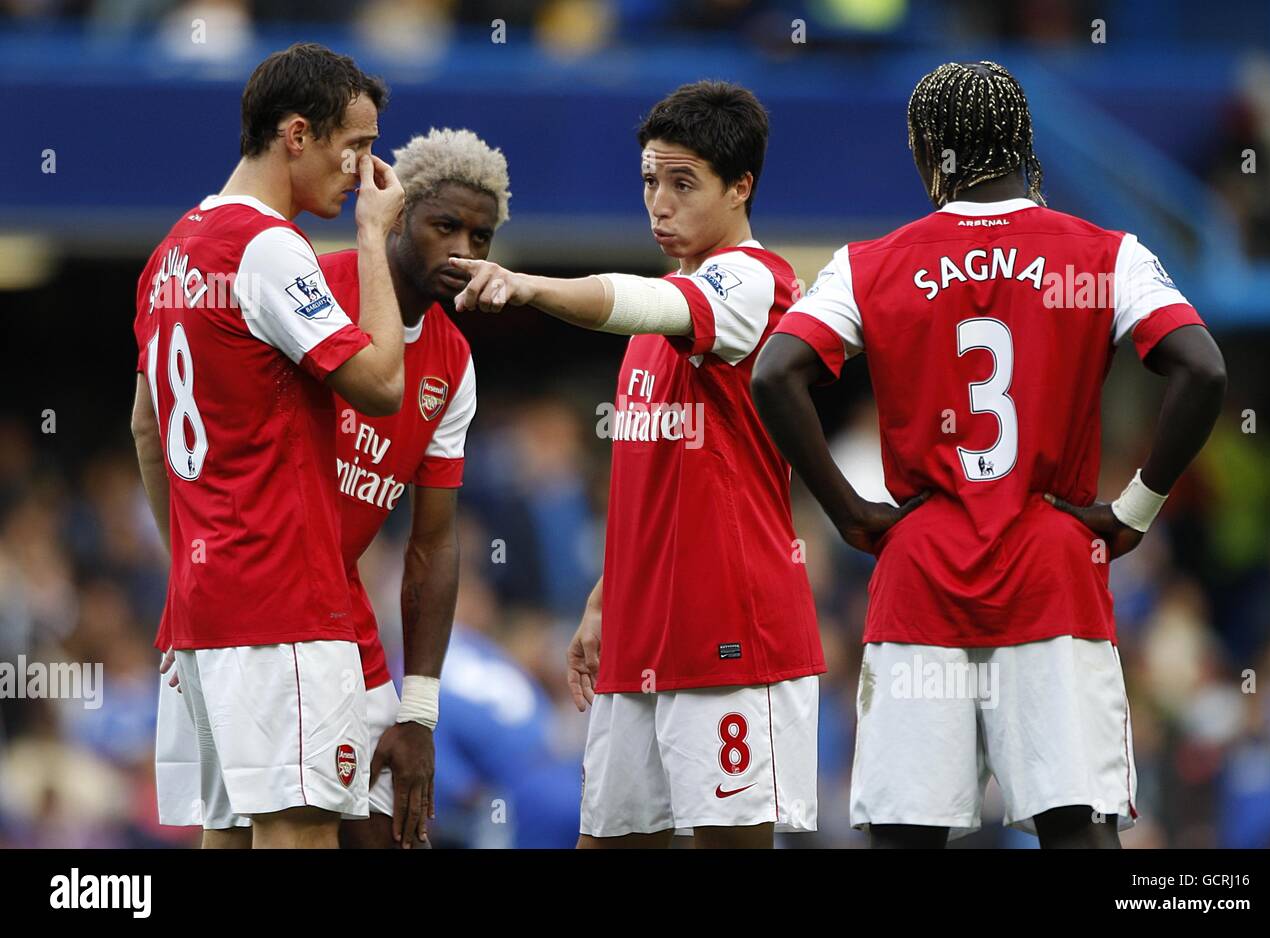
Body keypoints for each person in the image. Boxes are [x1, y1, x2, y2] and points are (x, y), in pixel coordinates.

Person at [750, 61, 1227, 848]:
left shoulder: (870, 263)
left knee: (907, 837)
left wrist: (846, 511)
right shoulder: (1104, 254)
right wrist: (1138, 506)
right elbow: (1202, 368)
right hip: (1053, 569)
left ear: (934, 149)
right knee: (1076, 832)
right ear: (1021, 144)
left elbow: (776, 372)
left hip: (920, 571)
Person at [453, 81, 824, 848]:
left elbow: (633, 301)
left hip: (731, 631)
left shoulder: (756, 282)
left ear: (740, 186)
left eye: (683, 183)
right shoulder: (655, 327)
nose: (659, 202)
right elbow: (650, 486)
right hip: (641, 636)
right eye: (651, 181)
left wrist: (528, 286)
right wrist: (603, 597)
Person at [154, 128, 509, 849]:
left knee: (388, 829)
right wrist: (191, 560)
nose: (464, 250)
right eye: (445, 225)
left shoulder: (454, 362)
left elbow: (433, 541)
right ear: (397, 215)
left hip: (335, 617)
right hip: (269, 602)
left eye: (482, 235)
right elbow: (156, 427)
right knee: (271, 831)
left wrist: (421, 709)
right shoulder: (309, 286)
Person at [133, 42, 406, 849]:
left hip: (203, 612)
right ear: (297, 134)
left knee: (229, 837)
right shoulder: (268, 247)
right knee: (299, 837)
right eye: (353, 146)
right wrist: (372, 241)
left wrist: (187, 562)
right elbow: (383, 387)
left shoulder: (168, 254)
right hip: (283, 605)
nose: (362, 171)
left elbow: (149, 431)